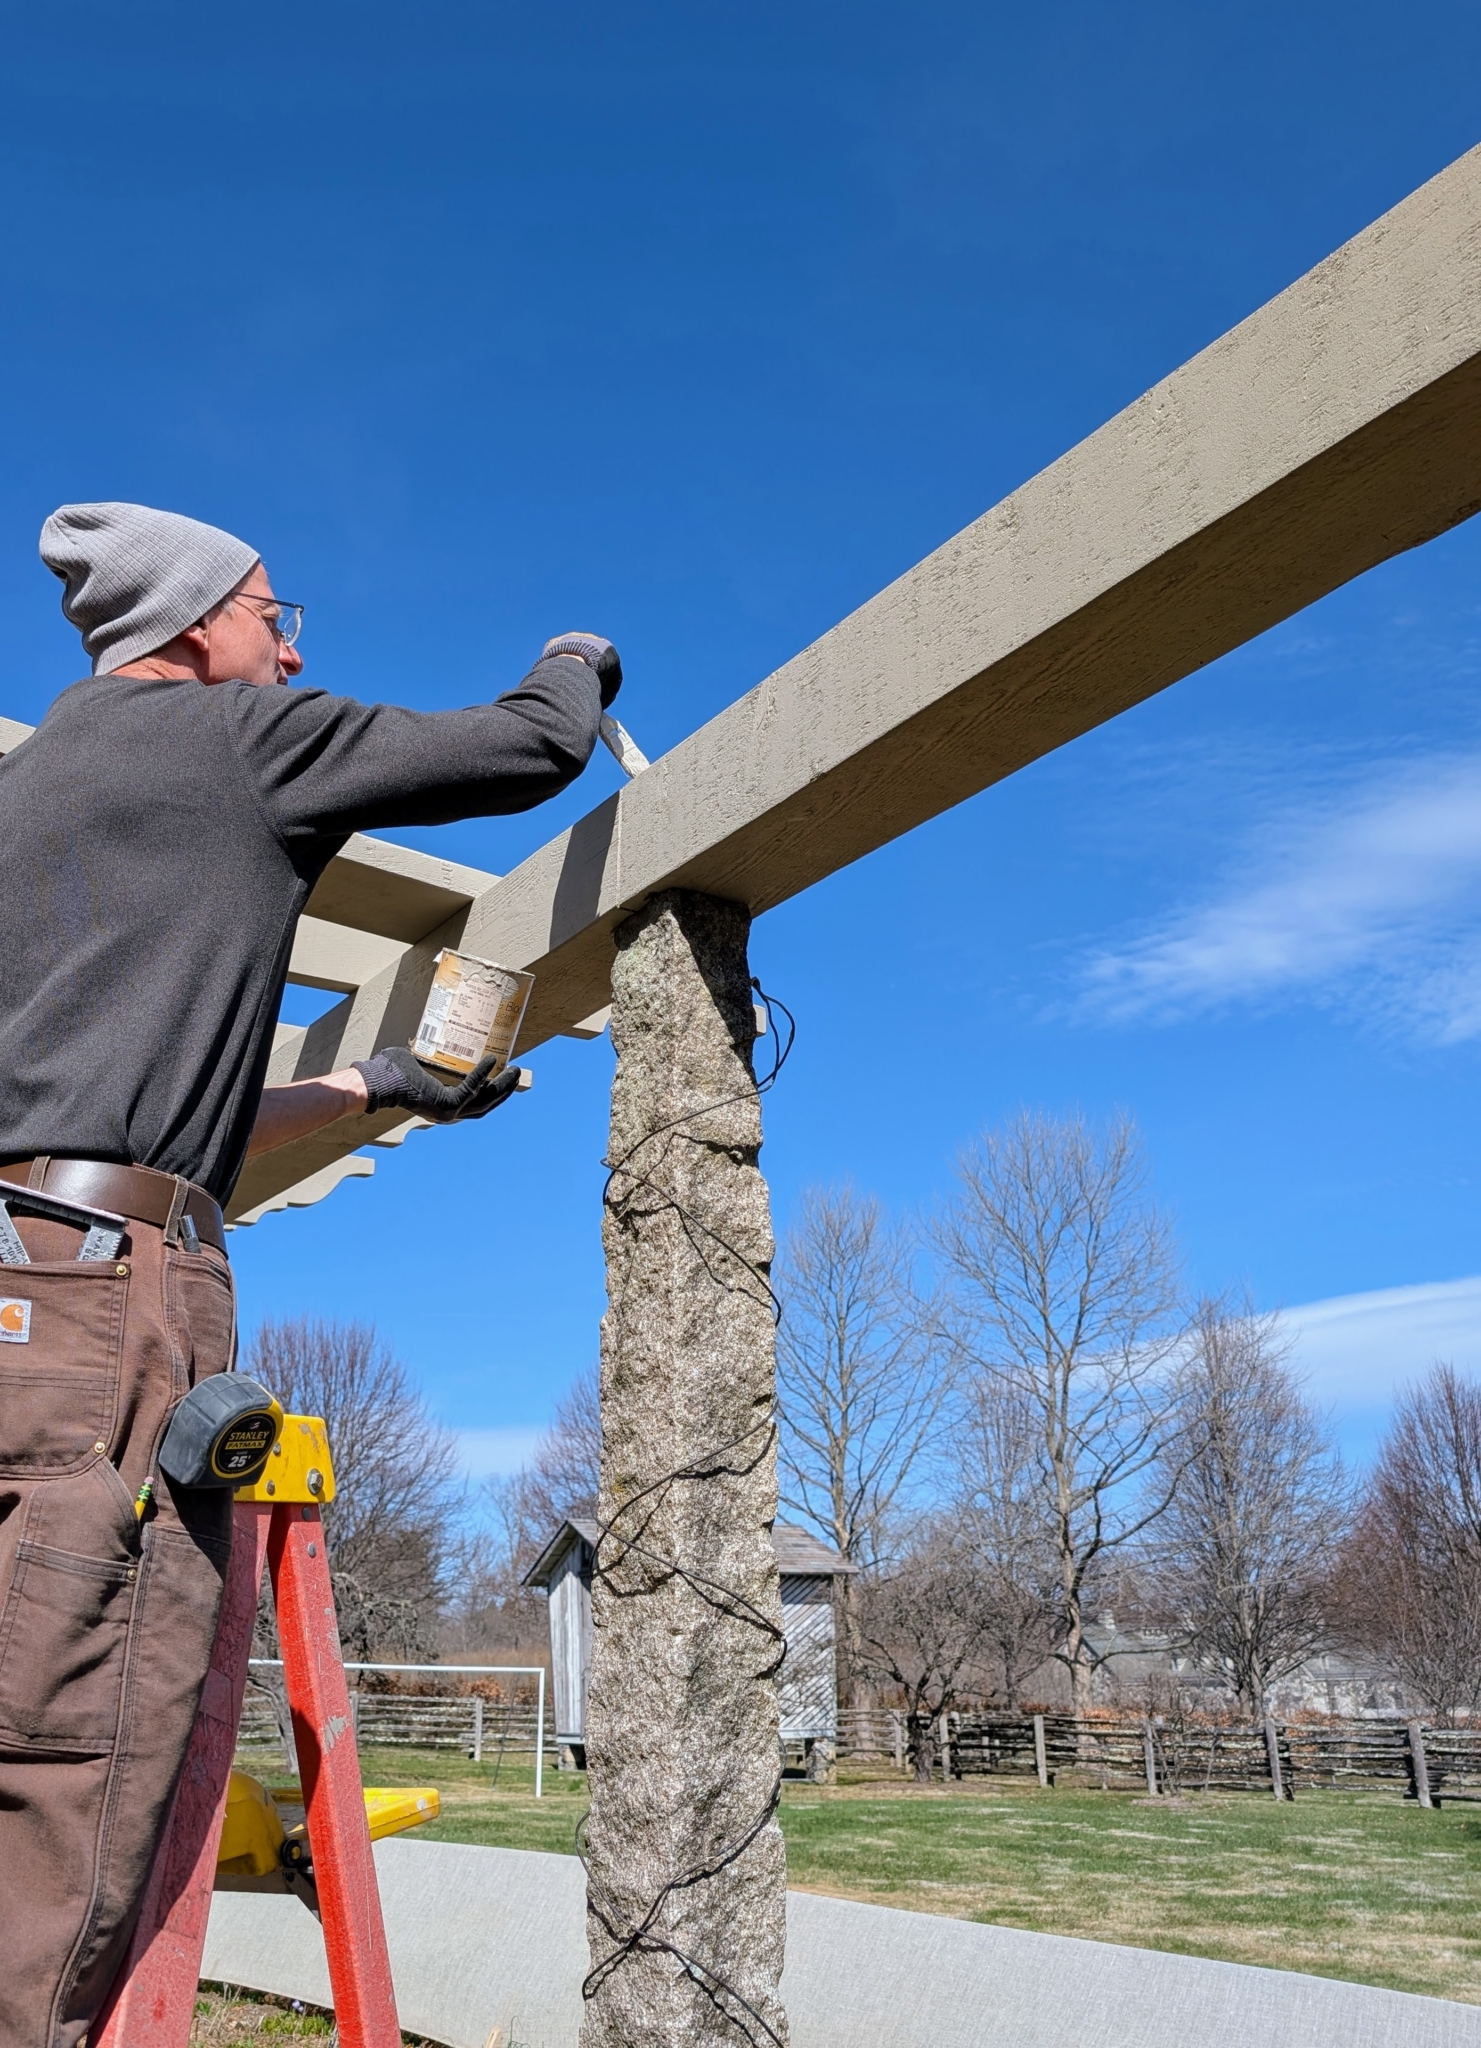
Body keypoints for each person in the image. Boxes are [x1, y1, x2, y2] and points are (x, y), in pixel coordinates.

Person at [0, 500, 621, 2048]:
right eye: (273, 612)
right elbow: (525, 748)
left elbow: (158, 1111)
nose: (294, 641)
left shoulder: (34, 797)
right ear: (194, 626)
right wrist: (578, 656)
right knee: (84, 1729)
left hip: (27, 1268)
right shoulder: (239, 737)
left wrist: (384, 1086)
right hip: (112, 1302)